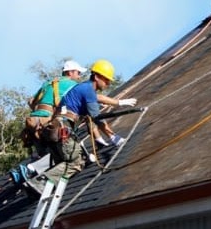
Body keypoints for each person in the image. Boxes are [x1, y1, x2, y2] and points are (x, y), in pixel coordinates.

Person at [28, 59, 133, 194]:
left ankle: (36, 190)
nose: (108, 83)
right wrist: (114, 137)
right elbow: (97, 118)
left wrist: (117, 103)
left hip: (53, 131)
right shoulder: (88, 90)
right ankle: (38, 183)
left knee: (62, 166)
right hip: (62, 130)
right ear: (96, 77)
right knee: (76, 163)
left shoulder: (82, 88)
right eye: (106, 80)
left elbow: (94, 107)